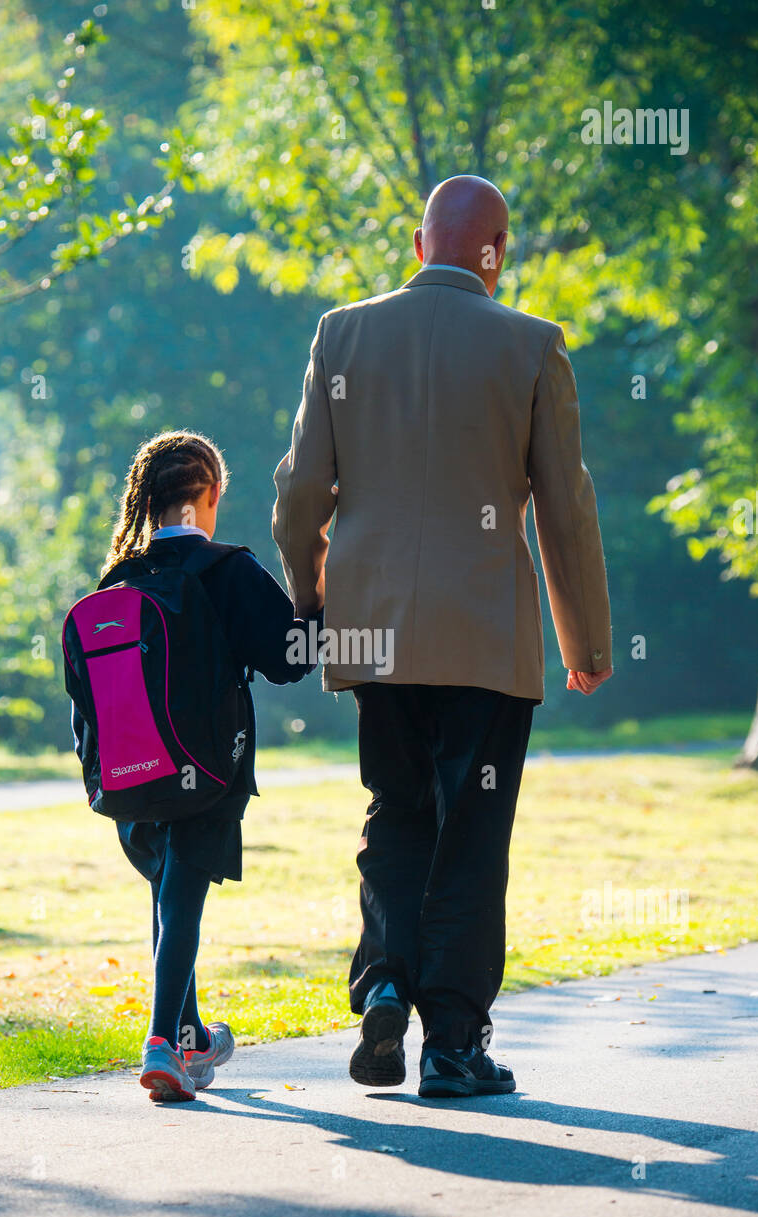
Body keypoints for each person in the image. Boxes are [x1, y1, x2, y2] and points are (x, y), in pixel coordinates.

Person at [273, 175, 613, 1099]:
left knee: (395, 811)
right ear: (498, 254)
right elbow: (564, 509)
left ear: (418, 246)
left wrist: (309, 599)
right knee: (471, 830)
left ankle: (383, 977)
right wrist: (582, 642)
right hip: (484, 644)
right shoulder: (532, 346)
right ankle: (454, 1046)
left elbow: (302, 490)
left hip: (372, 635)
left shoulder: (341, 333)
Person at [72, 430, 314, 1102]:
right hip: (206, 774)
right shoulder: (227, 570)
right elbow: (291, 660)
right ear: (209, 493)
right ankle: (160, 1041)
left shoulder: (119, 579)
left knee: (168, 897)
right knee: (180, 900)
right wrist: (318, 600)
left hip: (126, 779)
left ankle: (191, 1038)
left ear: (148, 499)